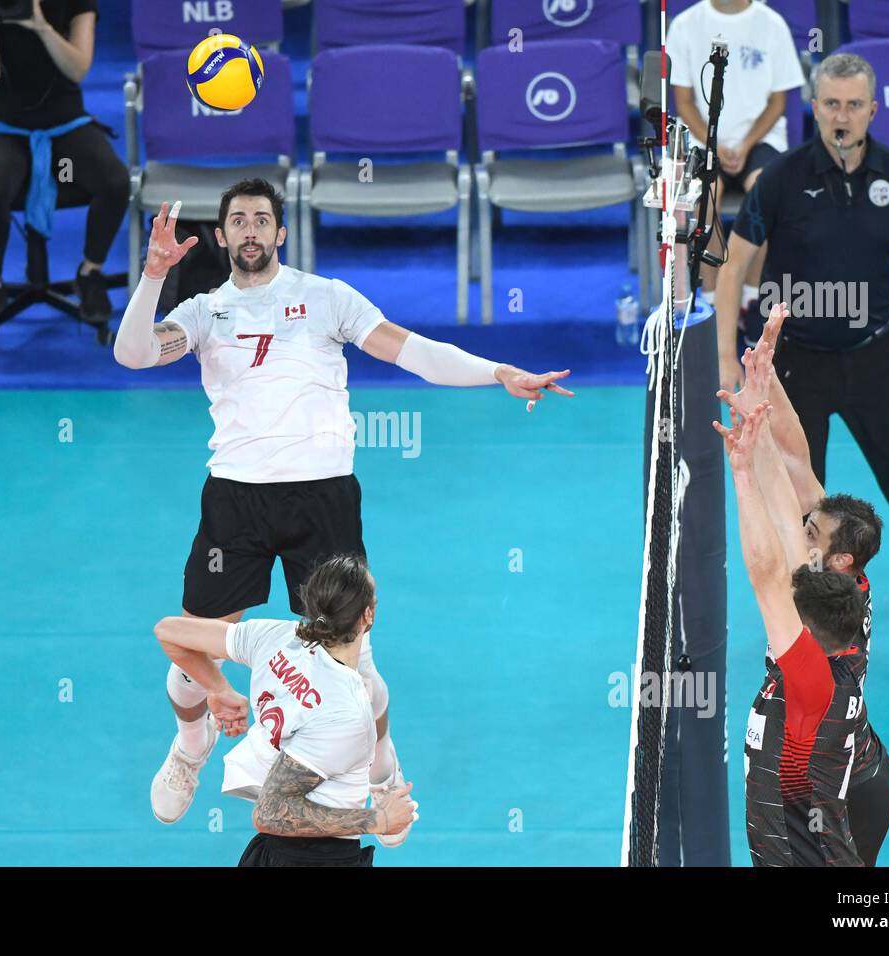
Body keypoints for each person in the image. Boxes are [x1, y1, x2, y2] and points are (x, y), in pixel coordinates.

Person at [115, 178, 573, 846]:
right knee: (188, 658)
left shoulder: (325, 298)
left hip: (321, 499)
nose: (249, 231)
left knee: (354, 666)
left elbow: (413, 351)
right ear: (220, 238)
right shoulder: (204, 312)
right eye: (237, 221)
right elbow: (133, 353)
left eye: (261, 220)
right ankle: (190, 746)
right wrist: (154, 276)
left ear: (279, 234)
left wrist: (496, 371)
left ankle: (381, 775)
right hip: (234, 498)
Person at [715, 52, 889, 618]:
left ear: (873, 110)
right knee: (796, 493)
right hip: (794, 363)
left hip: (872, 355)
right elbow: (732, 265)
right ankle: (802, 604)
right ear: (814, 108)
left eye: (854, 105)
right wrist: (726, 359)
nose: (842, 115)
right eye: (831, 103)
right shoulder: (782, 177)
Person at [721, 303, 889, 866]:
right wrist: (765, 382)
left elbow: (770, 571)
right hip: (864, 769)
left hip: (840, 795)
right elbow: (796, 462)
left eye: (812, 532)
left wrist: (747, 463)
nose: (802, 527)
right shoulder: (847, 581)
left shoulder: (809, 631)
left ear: (839, 559)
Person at [153, 554, 418, 867]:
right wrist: (378, 820)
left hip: (268, 854)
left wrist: (217, 687)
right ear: (368, 616)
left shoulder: (275, 637)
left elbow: (168, 630)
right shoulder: (349, 712)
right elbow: (270, 812)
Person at [716, 403, 867, 866]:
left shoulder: (810, 683)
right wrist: (757, 428)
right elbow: (789, 520)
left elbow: (765, 573)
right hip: (854, 785)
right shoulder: (851, 594)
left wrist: (743, 474)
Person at [0, 0, 127, 344]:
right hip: (1, 126)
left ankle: (90, 272)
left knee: (115, 182)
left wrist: (41, 26)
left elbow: (78, 69)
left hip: (67, 124)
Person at [667, 0, 804, 303]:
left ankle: (750, 297)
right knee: (705, 197)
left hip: (761, 139)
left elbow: (777, 103)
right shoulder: (684, 25)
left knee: (764, 192)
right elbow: (684, 103)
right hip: (704, 140)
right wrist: (714, 144)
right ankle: (714, 296)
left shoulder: (772, 24)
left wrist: (745, 144)